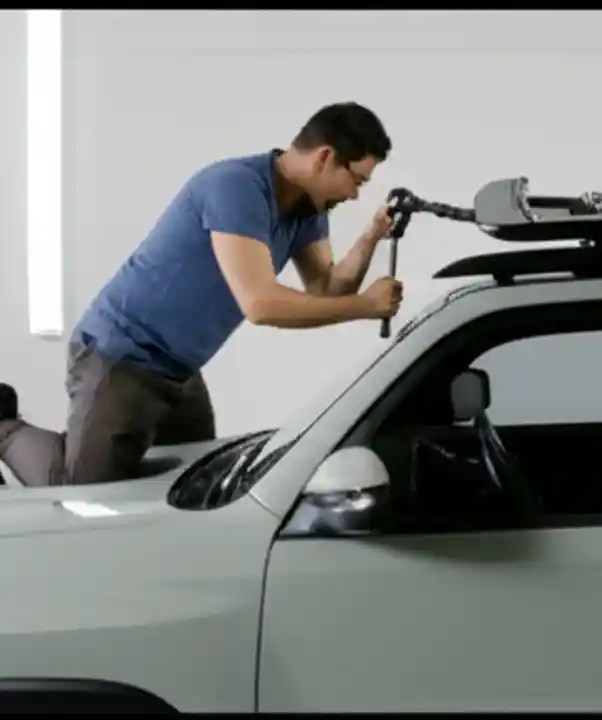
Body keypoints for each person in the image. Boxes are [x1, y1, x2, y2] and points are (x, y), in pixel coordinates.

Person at [0, 101, 404, 487]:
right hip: (123, 354)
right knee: (80, 488)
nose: (354, 195)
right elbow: (260, 304)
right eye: (357, 180)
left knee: (188, 490)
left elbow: (327, 289)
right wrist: (365, 306)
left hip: (181, 369)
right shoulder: (237, 186)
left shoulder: (306, 211)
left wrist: (371, 236)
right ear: (324, 157)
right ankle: (5, 428)